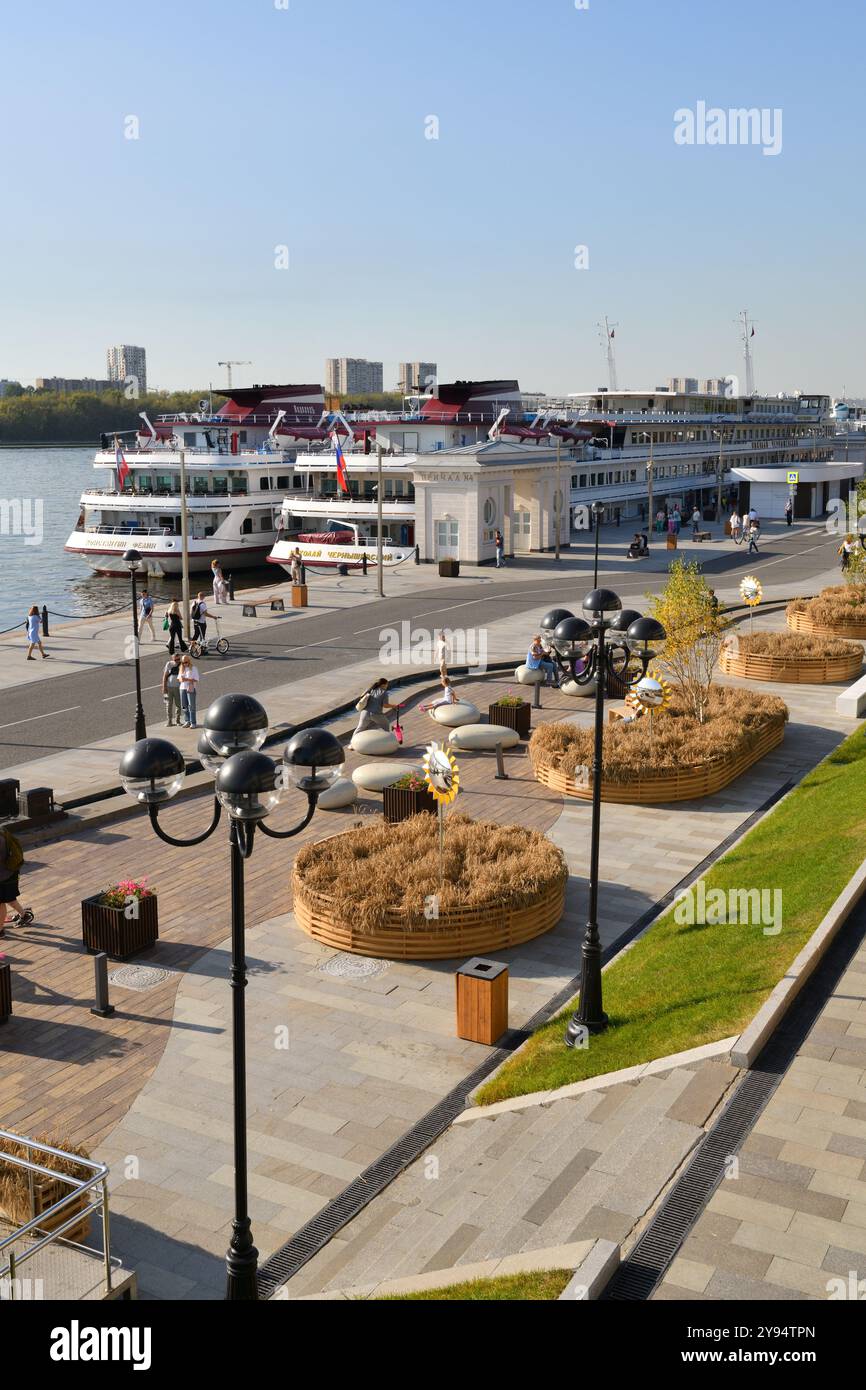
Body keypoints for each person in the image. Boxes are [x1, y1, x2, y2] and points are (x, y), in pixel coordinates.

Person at [0, 827, 33, 935]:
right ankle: (24, 916)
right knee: (9, 898)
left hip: (3, 876)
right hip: (11, 872)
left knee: (1, 903)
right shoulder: (3, 831)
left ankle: (0, 931)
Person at [178, 653, 200, 728]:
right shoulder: (181, 668)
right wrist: (181, 679)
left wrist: (186, 679)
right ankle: (187, 720)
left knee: (191, 706)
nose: (184, 664)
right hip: (182, 688)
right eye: (183, 663)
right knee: (184, 706)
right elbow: (179, 678)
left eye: (186, 662)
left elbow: (196, 679)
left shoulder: (193, 668)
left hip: (190, 689)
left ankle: (193, 722)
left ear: (189, 661)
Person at [162, 652, 183, 726]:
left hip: (178, 687)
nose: (177, 661)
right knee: (168, 705)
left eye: (178, 659)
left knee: (178, 704)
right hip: (169, 687)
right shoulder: (169, 664)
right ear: (172, 659)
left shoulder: (181, 664)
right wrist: (164, 687)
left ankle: (178, 721)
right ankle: (169, 721)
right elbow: (165, 676)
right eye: (176, 659)